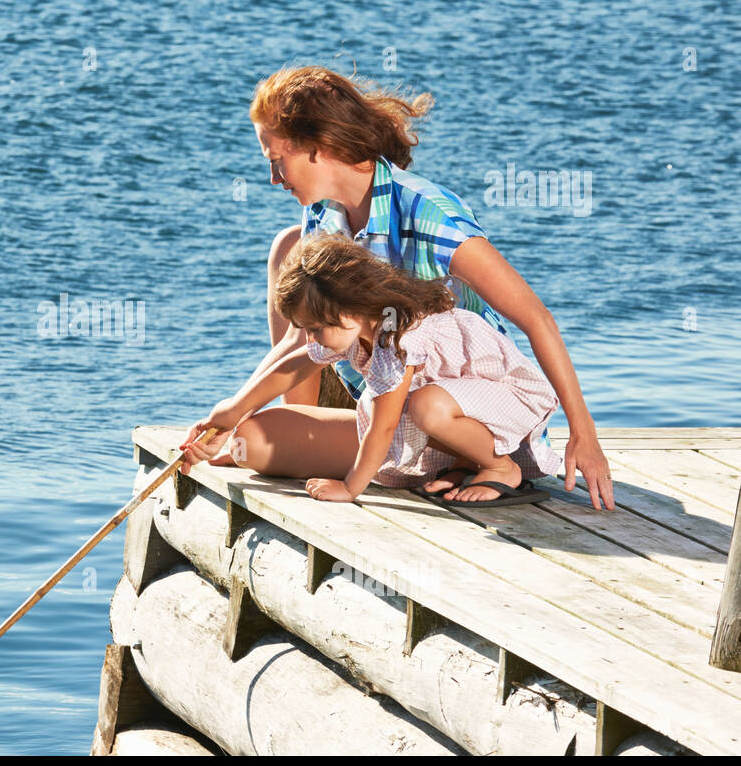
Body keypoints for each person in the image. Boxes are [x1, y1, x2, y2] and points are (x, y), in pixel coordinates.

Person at [181, 64, 614, 509]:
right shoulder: (322, 217)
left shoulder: (431, 215)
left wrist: (584, 433)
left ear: (316, 147)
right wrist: (230, 415)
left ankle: (480, 460)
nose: (274, 178)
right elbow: (302, 345)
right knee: (249, 441)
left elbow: (536, 318)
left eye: (276, 161)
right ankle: (375, 450)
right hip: (392, 407)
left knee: (260, 441)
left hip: (465, 412)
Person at [192, 233, 564, 505]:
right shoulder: (360, 326)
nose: (312, 337)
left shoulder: (398, 336)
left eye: (317, 328)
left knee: (423, 405)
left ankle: (500, 468)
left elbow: (385, 425)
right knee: (420, 405)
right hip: (467, 406)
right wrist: (235, 410)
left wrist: (351, 488)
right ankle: (466, 462)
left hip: (511, 398)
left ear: (349, 310)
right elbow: (295, 365)